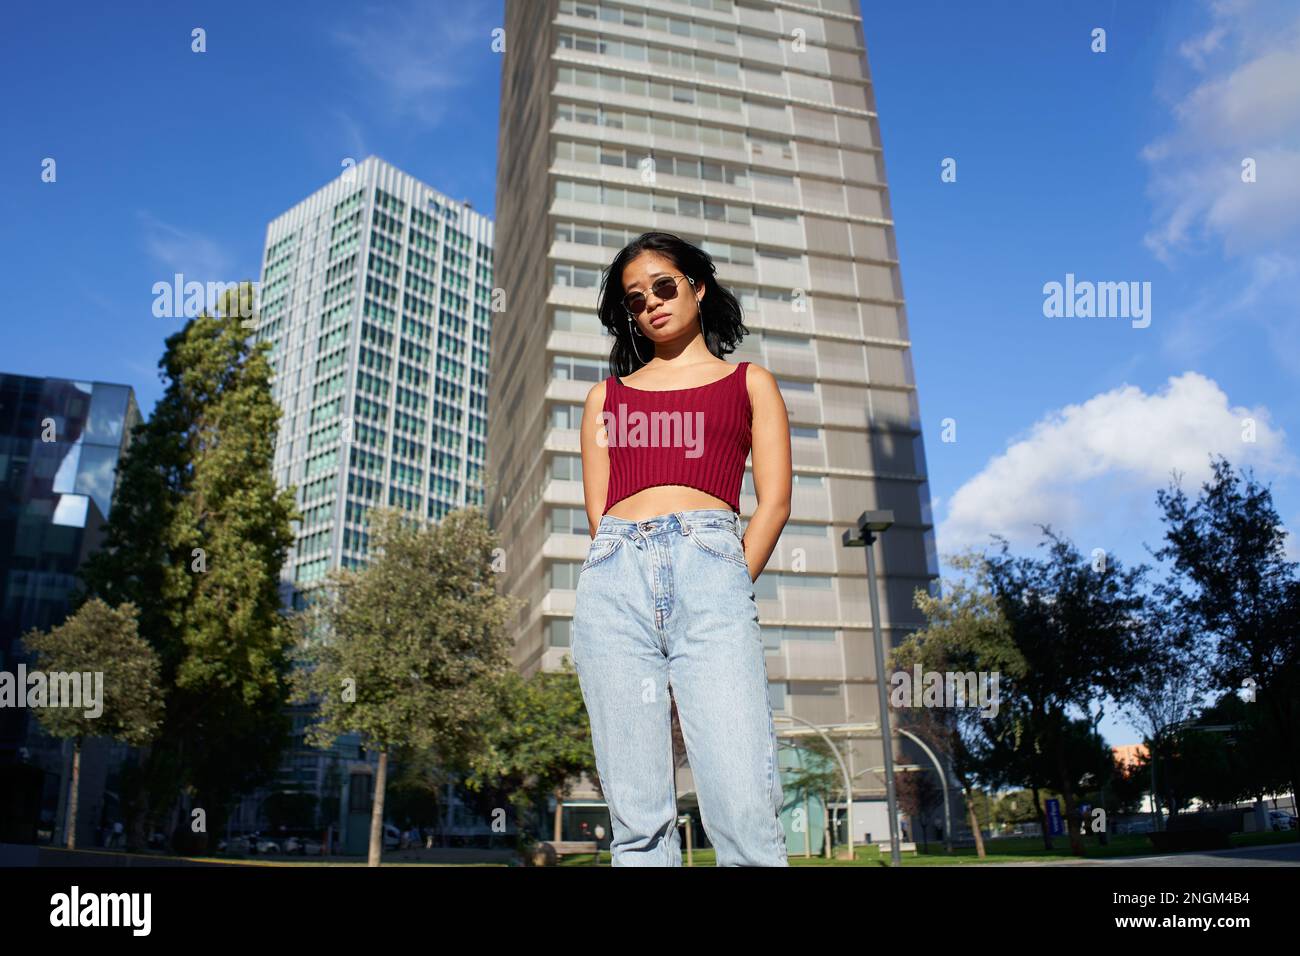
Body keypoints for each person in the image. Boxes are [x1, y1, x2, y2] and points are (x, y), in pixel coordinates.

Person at [571, 232, 791, 867]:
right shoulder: (603, 400)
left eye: (665, 286)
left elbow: (773, 503)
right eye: (636, 300)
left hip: (711, 570)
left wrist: (725, 581)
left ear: (698, 286)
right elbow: (600, 517)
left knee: (742, 801)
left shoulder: (751, 384)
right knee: (637, 820)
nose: (653, 304)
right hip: (615, 581)